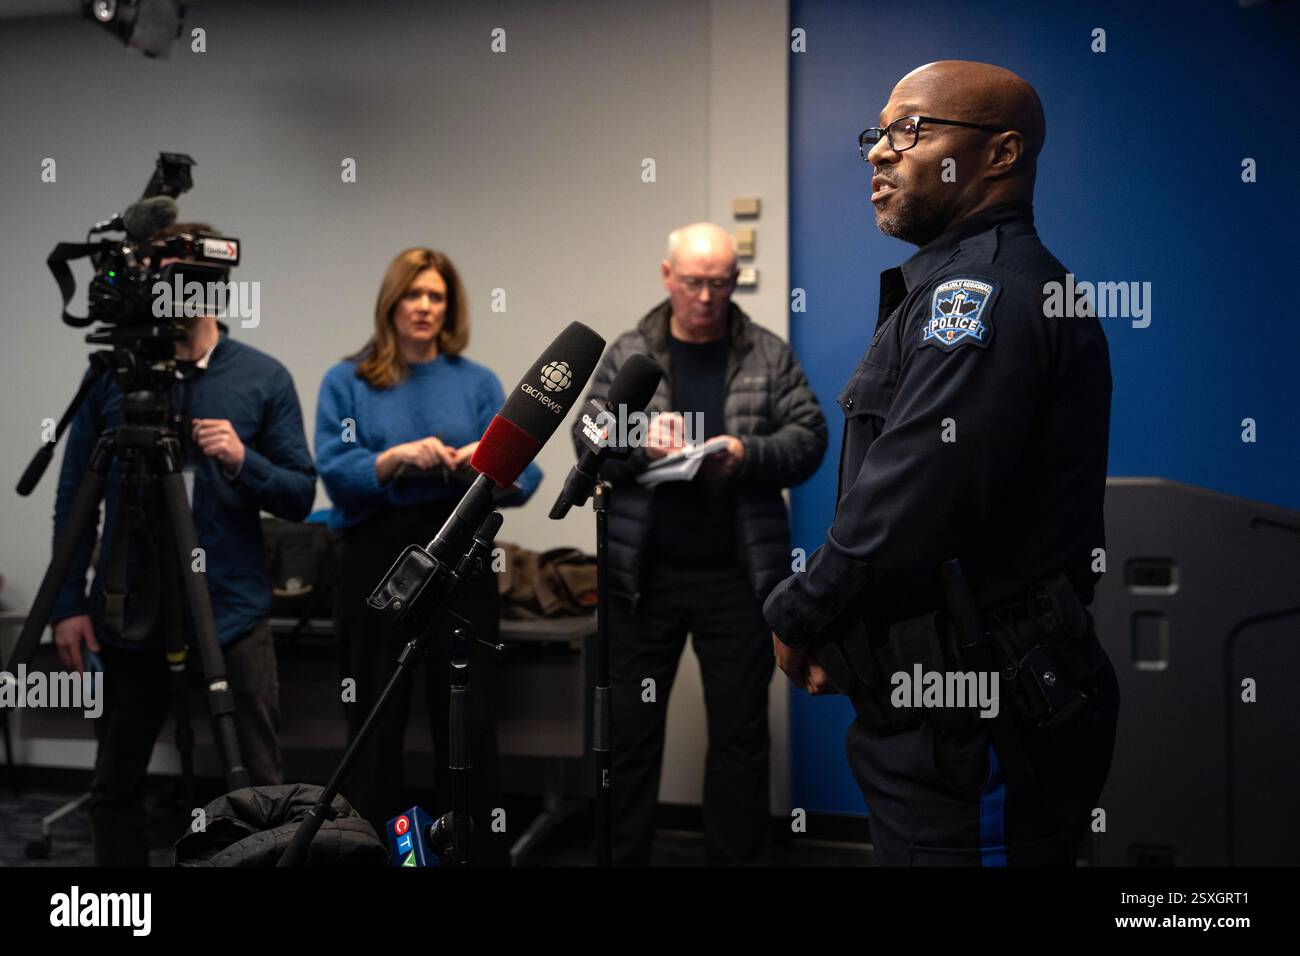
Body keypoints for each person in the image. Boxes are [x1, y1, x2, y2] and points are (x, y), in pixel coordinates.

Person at [764, 61, 1120, 866]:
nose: (879, 153)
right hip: (937, 715)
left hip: (981, 722)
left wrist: (796, 611)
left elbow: (910, 504)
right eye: (878, 134)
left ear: (1000, 154)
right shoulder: (955, 286)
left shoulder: (983, 296)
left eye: (911, 130)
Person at [51, 222, 317, 866]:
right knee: (115, 785)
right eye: (159, 273)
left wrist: (241, 458)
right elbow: (74, 502)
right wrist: (66, 604)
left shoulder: (261, 377)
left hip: (232, 613)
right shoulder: (113, 377)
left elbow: (299, 495)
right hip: (128, 612)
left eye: (183, 274)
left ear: (213, 286)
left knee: (257, 785)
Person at [574, 222, 827, 865]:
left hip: (737, 582)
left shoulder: (767, 353)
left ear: (735, 281)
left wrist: (745, 454)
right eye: (694, 283)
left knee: (741, 738)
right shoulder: (630, 351)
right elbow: (588, 440)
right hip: (641, 579)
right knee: (627, 738)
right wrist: (636, 439)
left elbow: (810, 439)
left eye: (720, 283)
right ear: (667, 276)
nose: (707, 297)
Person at [315, 247, 540, 865]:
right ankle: (367, 854)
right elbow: (333, 473)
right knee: (373, 725)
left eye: (435, 296)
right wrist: (393, 459)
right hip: (376, 561)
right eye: (413, 294)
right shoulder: (348, 380)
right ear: (391, 303)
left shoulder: (478, 382)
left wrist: (484, 462)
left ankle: (471, 854)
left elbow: (532, 473)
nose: (423, 306)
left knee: (465, 720)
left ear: (450, 307)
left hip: (460, 564)